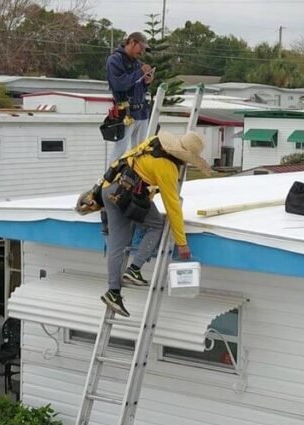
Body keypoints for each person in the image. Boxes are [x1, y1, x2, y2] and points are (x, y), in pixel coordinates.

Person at [98, 131, 210, 317]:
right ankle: (134, 269)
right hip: (126, 196)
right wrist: (182, 243)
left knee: (116, 245)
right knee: (156, 224)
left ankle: (113, 291)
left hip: (109, 187)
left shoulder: (154, 142)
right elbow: (172, 206)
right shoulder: (167, 167)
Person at [106, 32, 154, 166]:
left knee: (140, 151)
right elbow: (119, 84)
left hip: (141, 112)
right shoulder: (115, 60)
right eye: (141, 48)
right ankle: (109, 180)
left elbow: (139, 88)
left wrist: (147, 81)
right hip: (126, 112)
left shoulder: (137, 63)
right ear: (132, 42)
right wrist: (139, 73)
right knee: (119, 151)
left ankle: (135, 181)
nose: (142, 52)